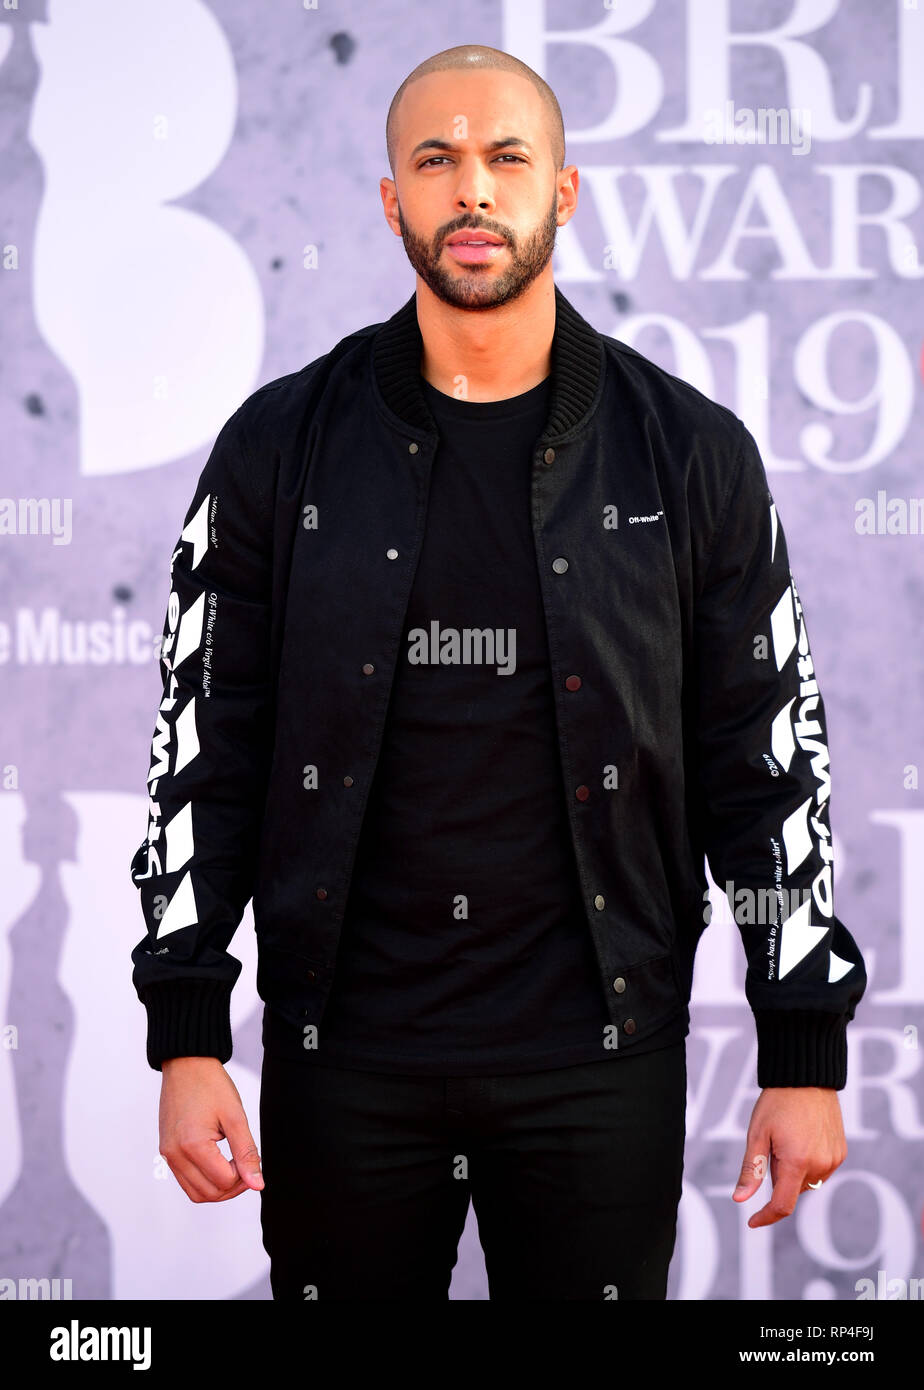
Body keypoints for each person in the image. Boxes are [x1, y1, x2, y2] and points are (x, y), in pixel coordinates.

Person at [130, 44, 867, 1300]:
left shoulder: (689, 453)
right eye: (437, 160)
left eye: (506, 158)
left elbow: (766, 753)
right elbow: (207, 744)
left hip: (599, 1057)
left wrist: (802, 1045)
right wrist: (187, 1030)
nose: (473, 190)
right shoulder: (275, 447)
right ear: (391, 200)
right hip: (342, 1053)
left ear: (563, 192)